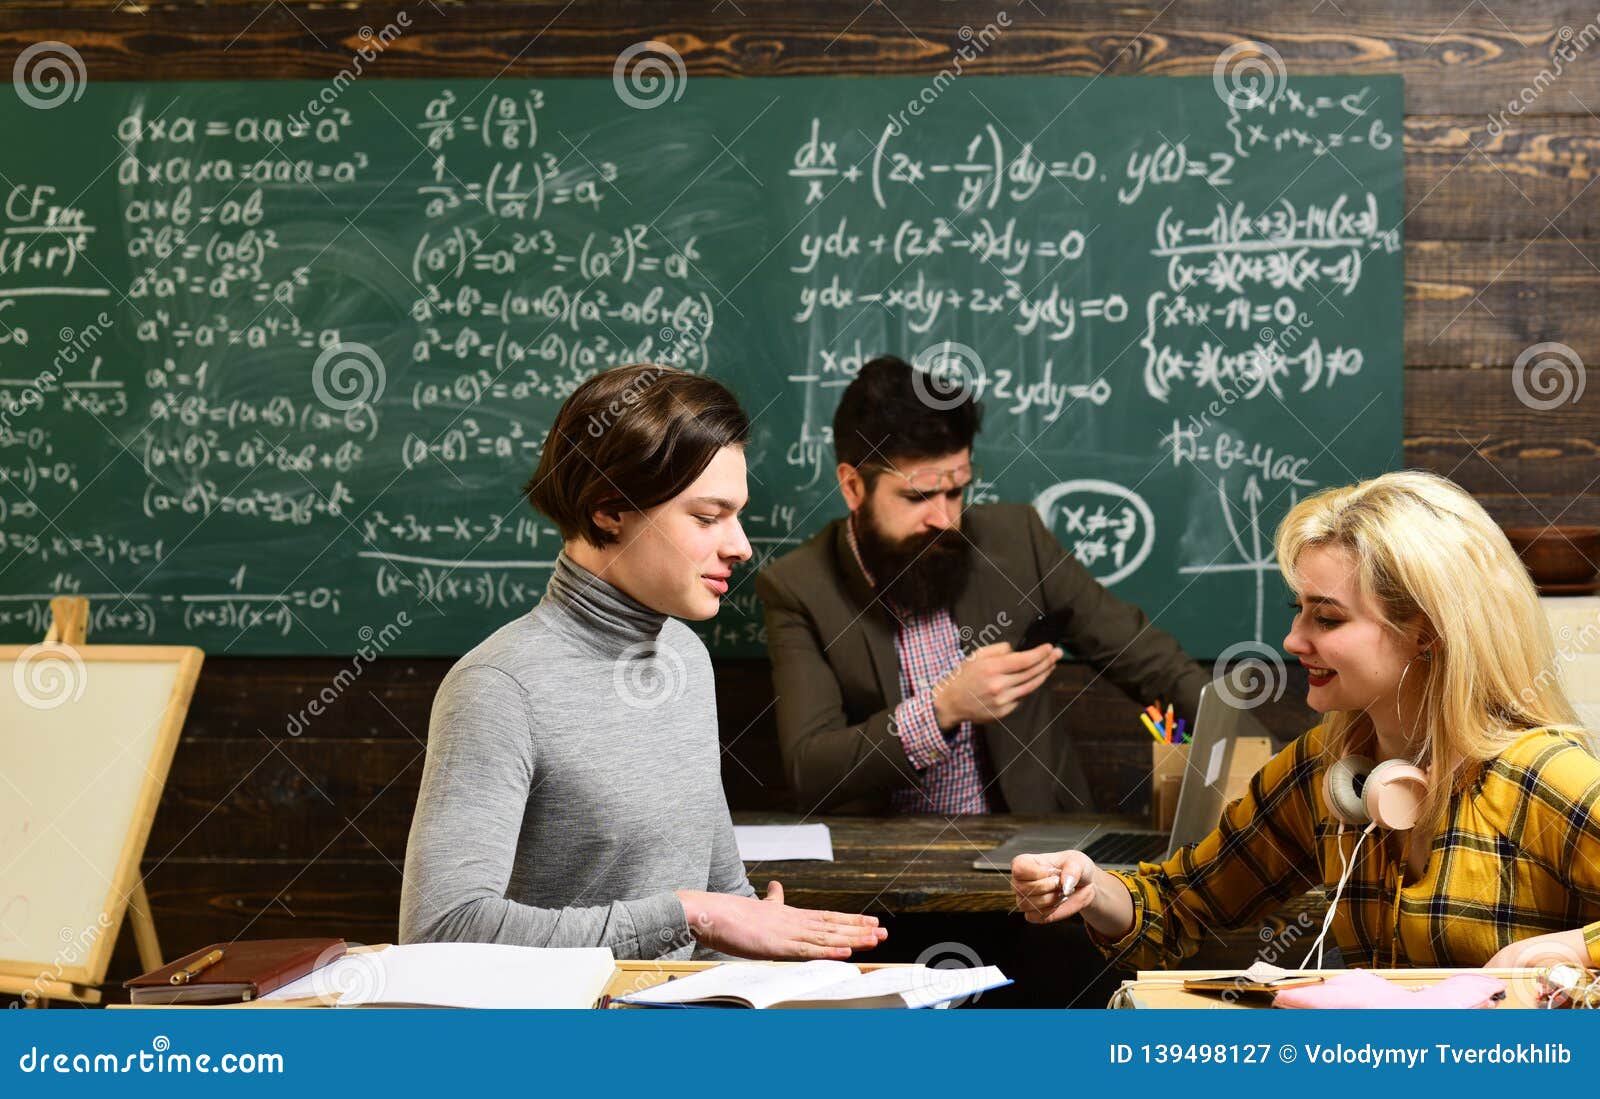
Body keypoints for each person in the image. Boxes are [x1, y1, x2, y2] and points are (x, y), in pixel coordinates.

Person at [1011, 470, 1600, 971]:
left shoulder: (1544, 776)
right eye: (1300, 612)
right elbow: (1179, 905)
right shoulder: (1325, 768)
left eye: (1328, 619)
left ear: (1425, 632)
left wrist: (1577, 947)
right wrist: (1091, 888)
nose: (1294, 640)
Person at [400, 363, 887, 961]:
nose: (740, 545)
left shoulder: (685, 657)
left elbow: (724, 900)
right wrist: (689, 914)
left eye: (736, 515)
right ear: (610, 509)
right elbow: (440, 931)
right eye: (707, 517)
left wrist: (777, 974)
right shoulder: (497, 687)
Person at [757, 355, 1208, 814]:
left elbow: (1155, 666)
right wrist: (943, 709)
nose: (946, 520)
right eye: (918, 496)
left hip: (1037, 848)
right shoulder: (797, 588)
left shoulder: (1019, 540)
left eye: (956, 491)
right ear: (853, 487)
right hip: (884, 863)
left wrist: (1267, 773)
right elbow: (809, 770)